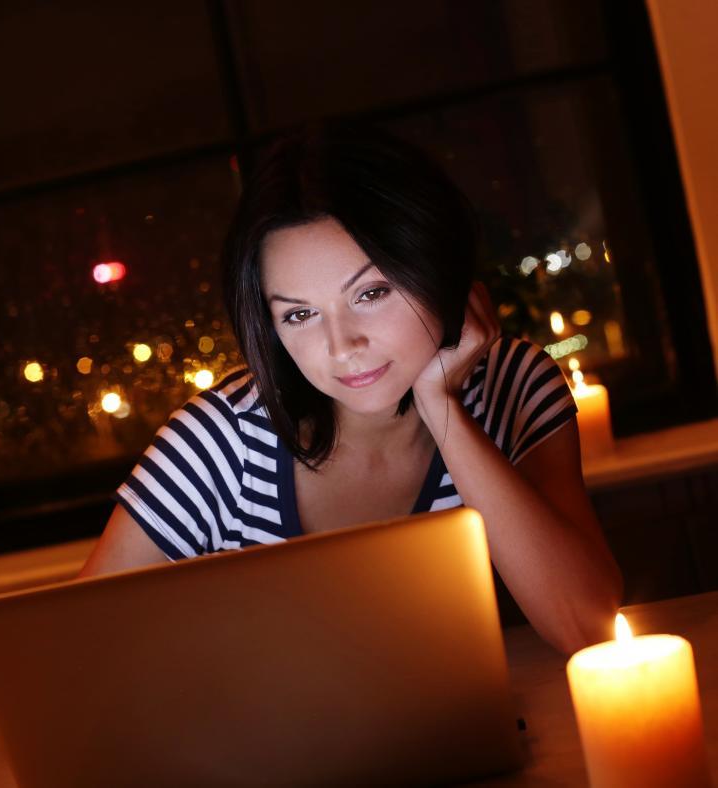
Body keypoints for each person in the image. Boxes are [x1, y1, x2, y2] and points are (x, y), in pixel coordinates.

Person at [78, 123, 622, 655]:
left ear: (435, 269)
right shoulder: (220, 440)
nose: (341, 346)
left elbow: (585, 626)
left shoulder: (516, 385)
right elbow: (73, 647)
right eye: (300, 314)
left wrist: (443, 408)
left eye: (371, 293)